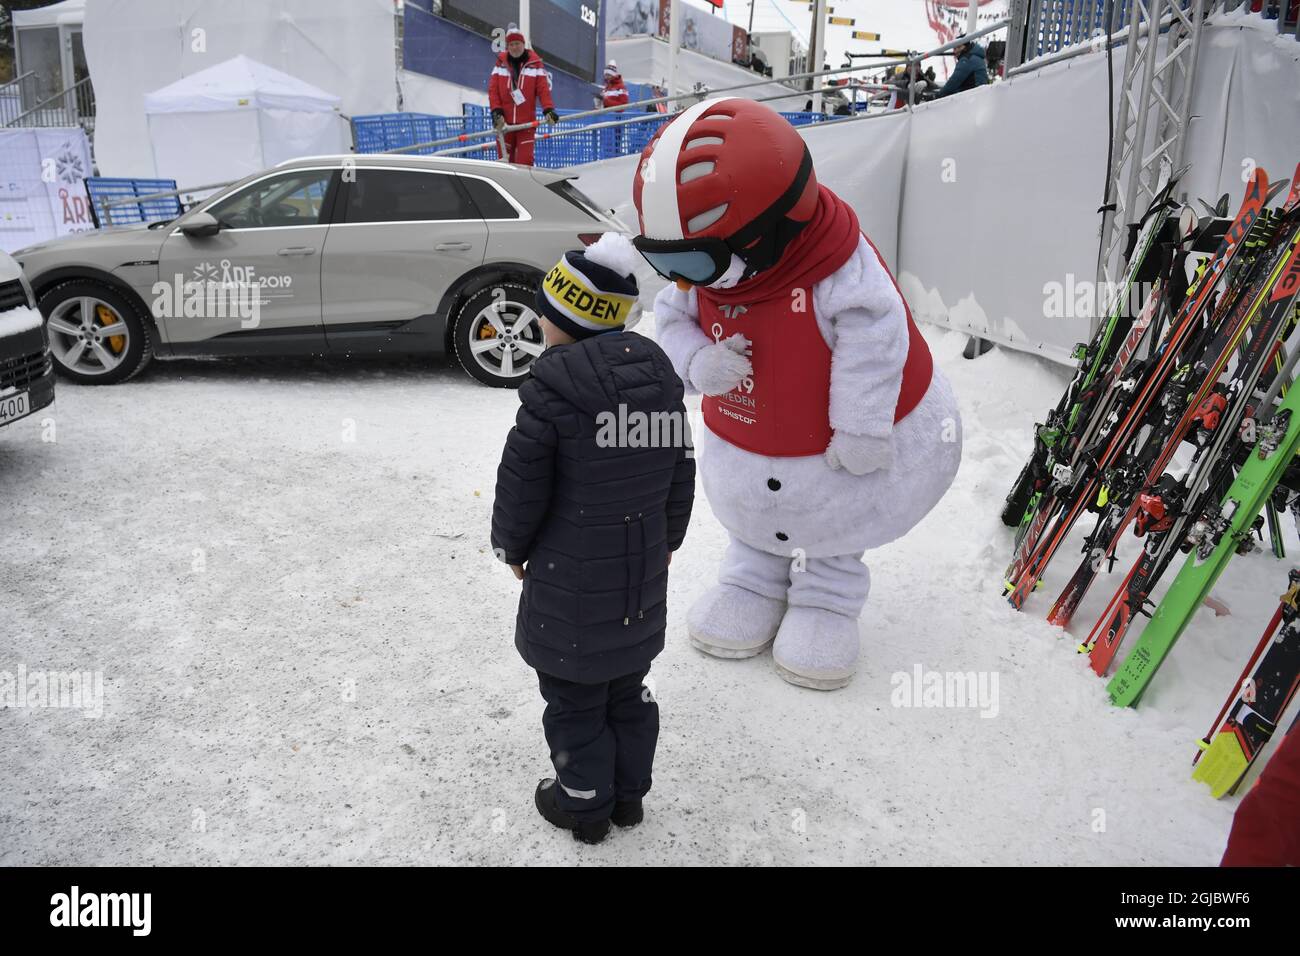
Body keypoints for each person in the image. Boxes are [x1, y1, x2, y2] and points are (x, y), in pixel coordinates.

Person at [632, 98, 961, 690]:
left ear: (771, 228)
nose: (682, 280)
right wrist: (697, 362)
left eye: (694, 260)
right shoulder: (696, 274)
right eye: (662, 259)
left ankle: (829, 597)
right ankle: (753, 577)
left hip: (830, 450)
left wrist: (862, 428)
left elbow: (877, 340)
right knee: (754, 523)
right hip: (746, 432)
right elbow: (670, 318)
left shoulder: (840, 268)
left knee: (837, 523)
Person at [491, 234, 696, 844]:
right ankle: (628, 796)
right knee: (626, 689)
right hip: (640, 578)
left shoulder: (552, 390)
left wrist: (511, 547)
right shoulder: (658, 375)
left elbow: (522, 479)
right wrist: (670, 538)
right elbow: (679, 466)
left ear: (567, 321)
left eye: (549, 316)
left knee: (574, 699)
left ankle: (583, 805)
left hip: (569, 583)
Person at [488, 24, 559, 166]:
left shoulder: (536, 64)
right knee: (505, 164)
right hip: (505, 124)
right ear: (508, 46)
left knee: (524, 163)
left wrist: (548, 109)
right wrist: (496, 111)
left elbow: (543, 90)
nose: (515, 47)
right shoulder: (500, 63)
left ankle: (523, 188)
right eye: (511, 44)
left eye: (517, 43)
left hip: (526, 125)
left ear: (523, 44)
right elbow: (493, 90)